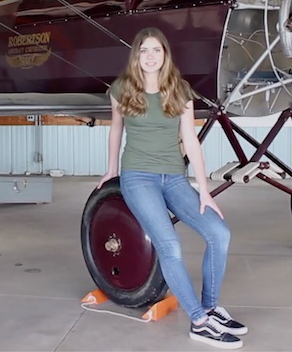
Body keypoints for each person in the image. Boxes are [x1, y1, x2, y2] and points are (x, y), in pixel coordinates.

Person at [97, 27, 247, 349]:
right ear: (136, 56)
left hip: (175, 177)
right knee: (170, 246)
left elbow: (191, 141)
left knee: (219, 234)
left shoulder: (179, 90)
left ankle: (210, 305)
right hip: (138, 177)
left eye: (157, 51)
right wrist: (111, 170)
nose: (150, 57)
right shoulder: (122, 89)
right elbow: (116, 131)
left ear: (165, 56)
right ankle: (199, 321)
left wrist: (204, 191)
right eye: (144, 51)